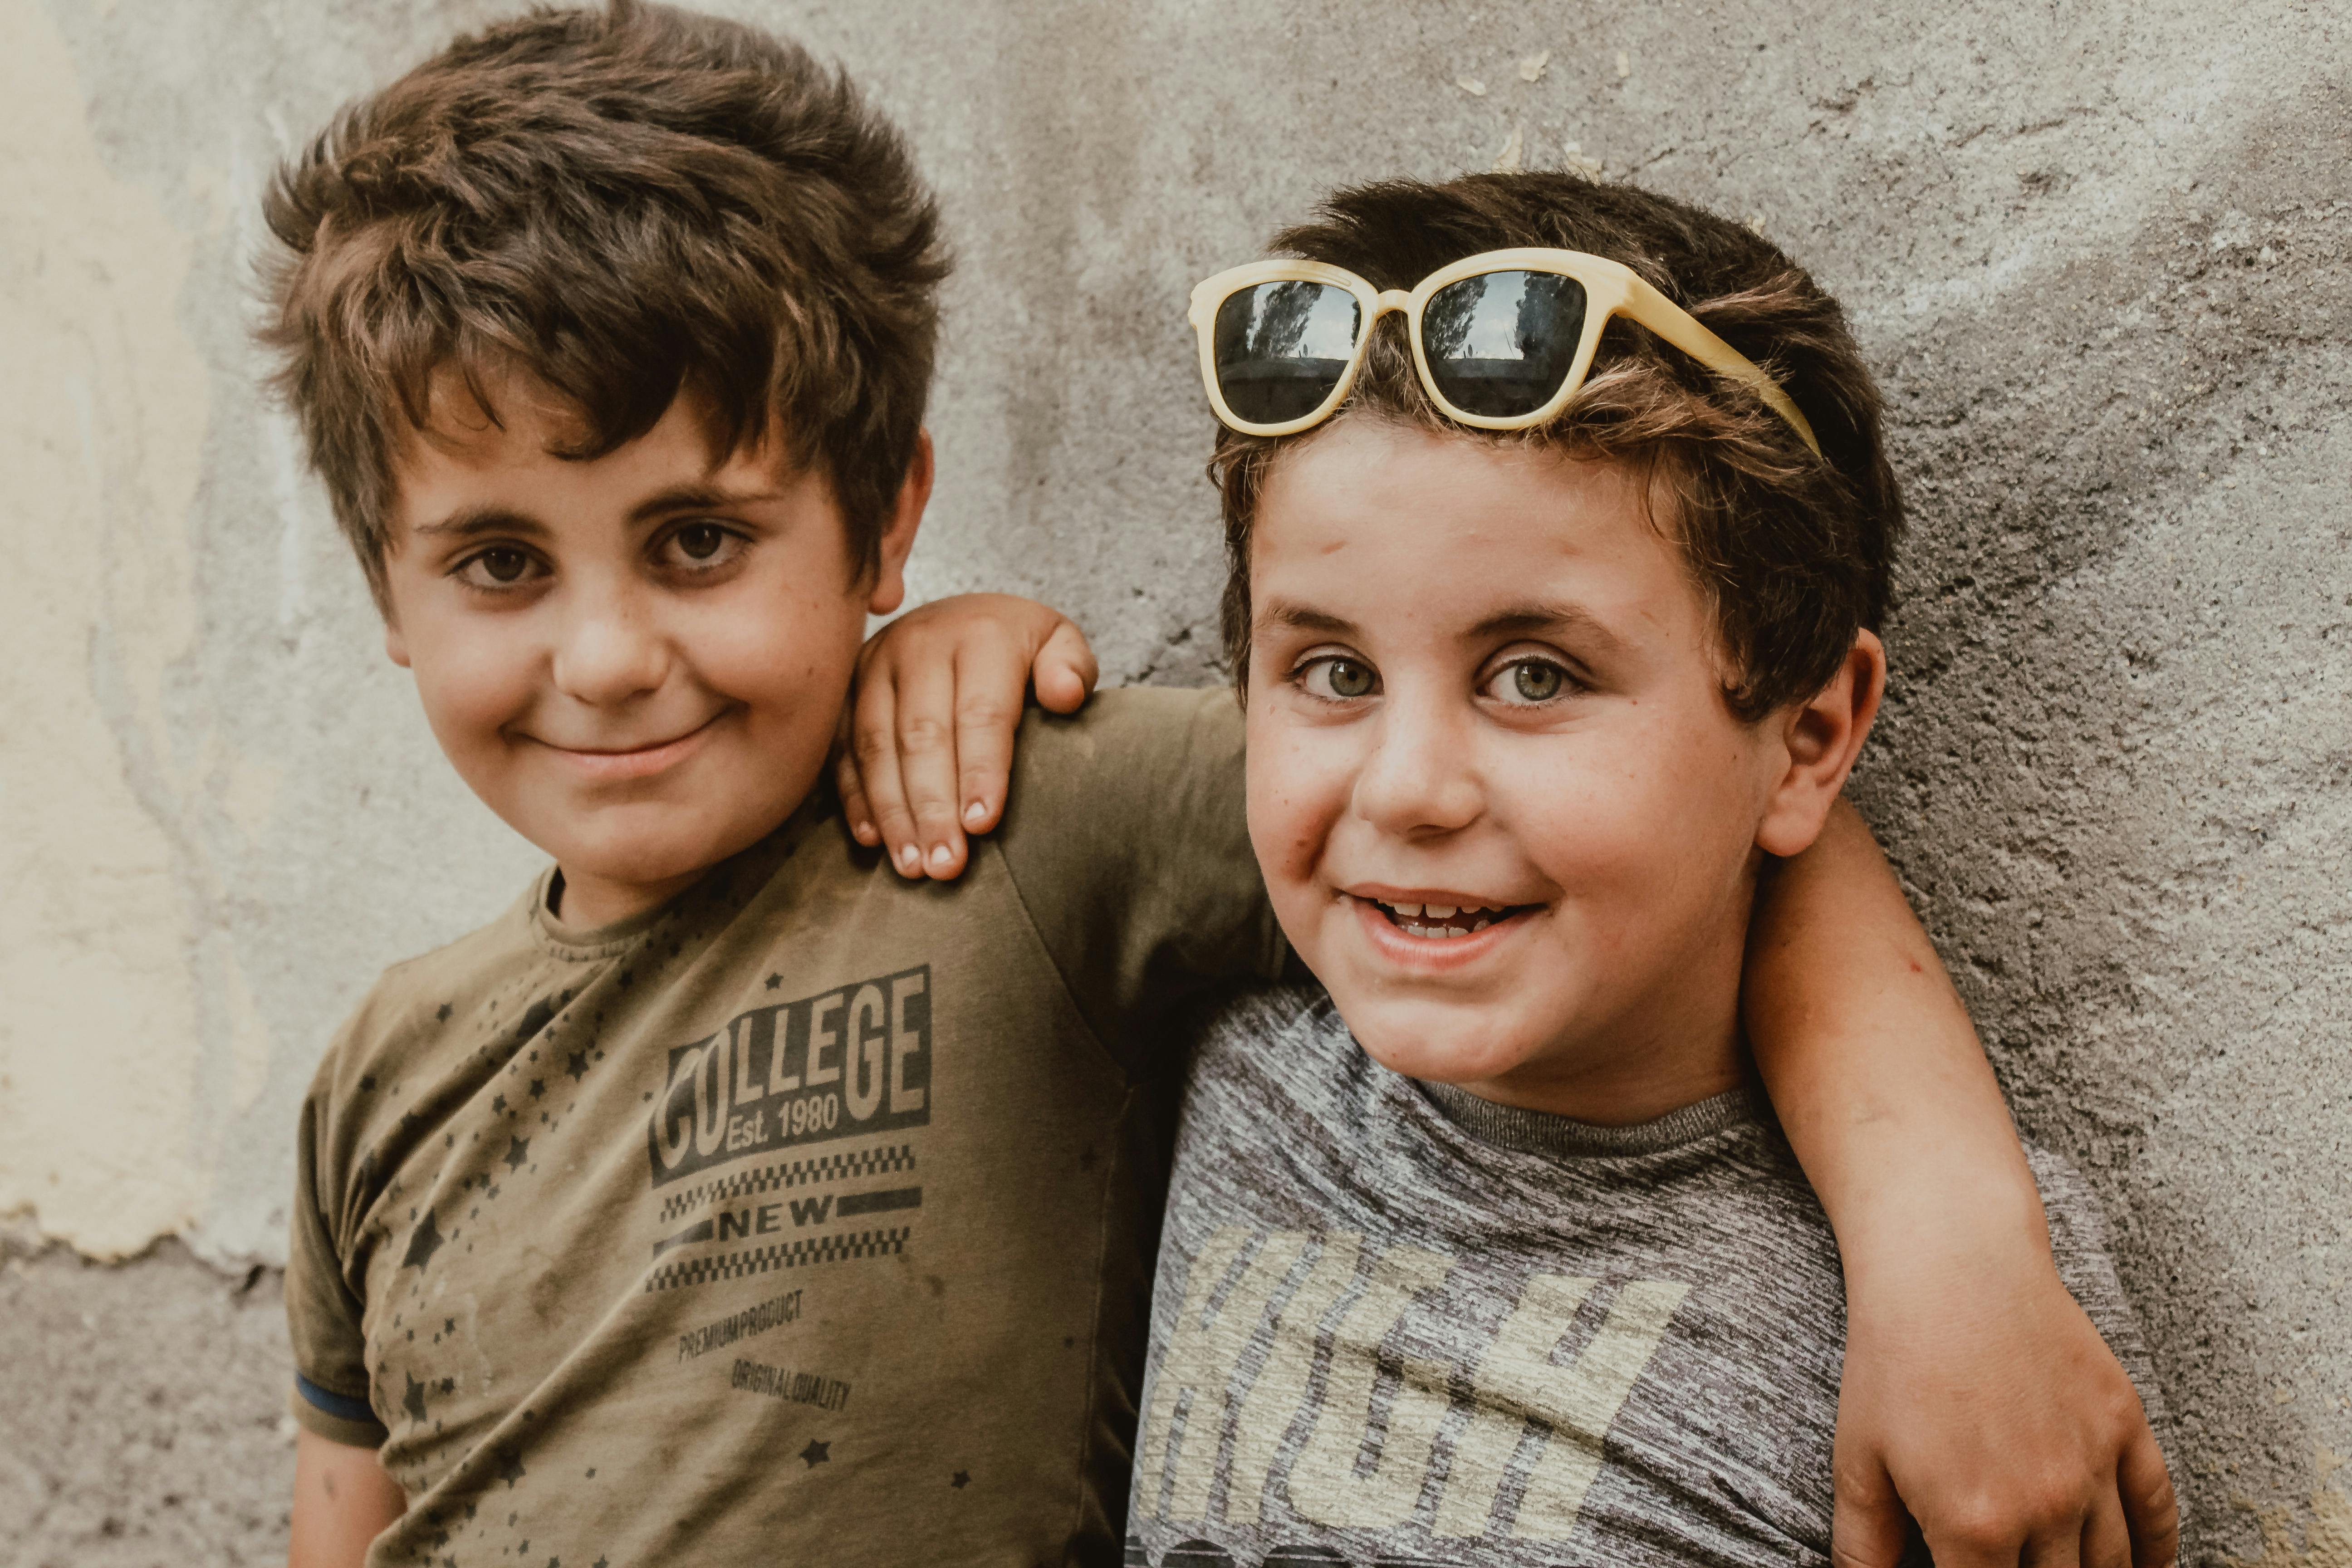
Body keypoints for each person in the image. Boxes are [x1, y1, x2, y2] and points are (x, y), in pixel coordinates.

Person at [259, 4, 2168, 1565]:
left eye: (696, 540)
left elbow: (1740, 845)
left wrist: (1950, 1247)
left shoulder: (1046, 824)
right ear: (382, 591)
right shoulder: (381, 1075)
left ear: (887, 520)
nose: (605, 657)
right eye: (498, 562)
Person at [1084, 171, 2174, 1567]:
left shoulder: (1979, 1347)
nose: (1406, 789)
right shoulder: (1219, 1063)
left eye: (1536, 676)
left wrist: (1947, 1236)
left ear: (1810, 735)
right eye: (1336, 671)